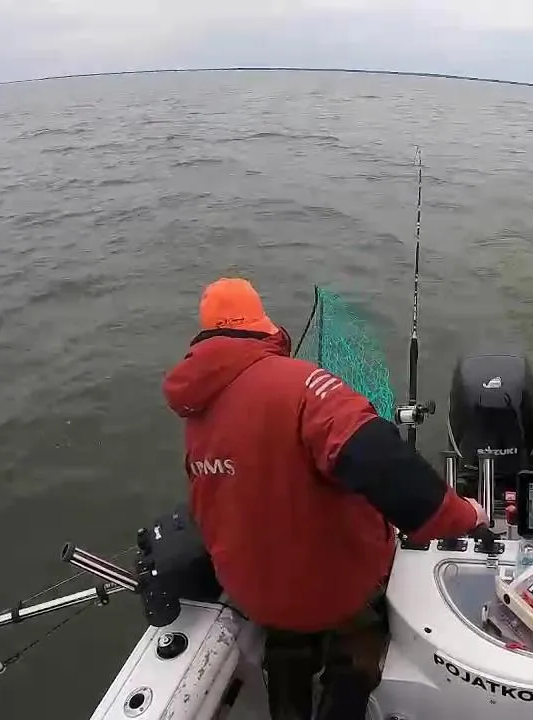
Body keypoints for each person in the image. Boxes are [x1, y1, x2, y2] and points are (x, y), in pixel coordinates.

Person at [162, 277, 487, 720]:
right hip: (335, 592)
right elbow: (379, 458)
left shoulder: (196, 415)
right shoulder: (303, 386)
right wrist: (463, 516)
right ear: (261, 326)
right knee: (357, 643)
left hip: (257, 595)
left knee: (287, 645)